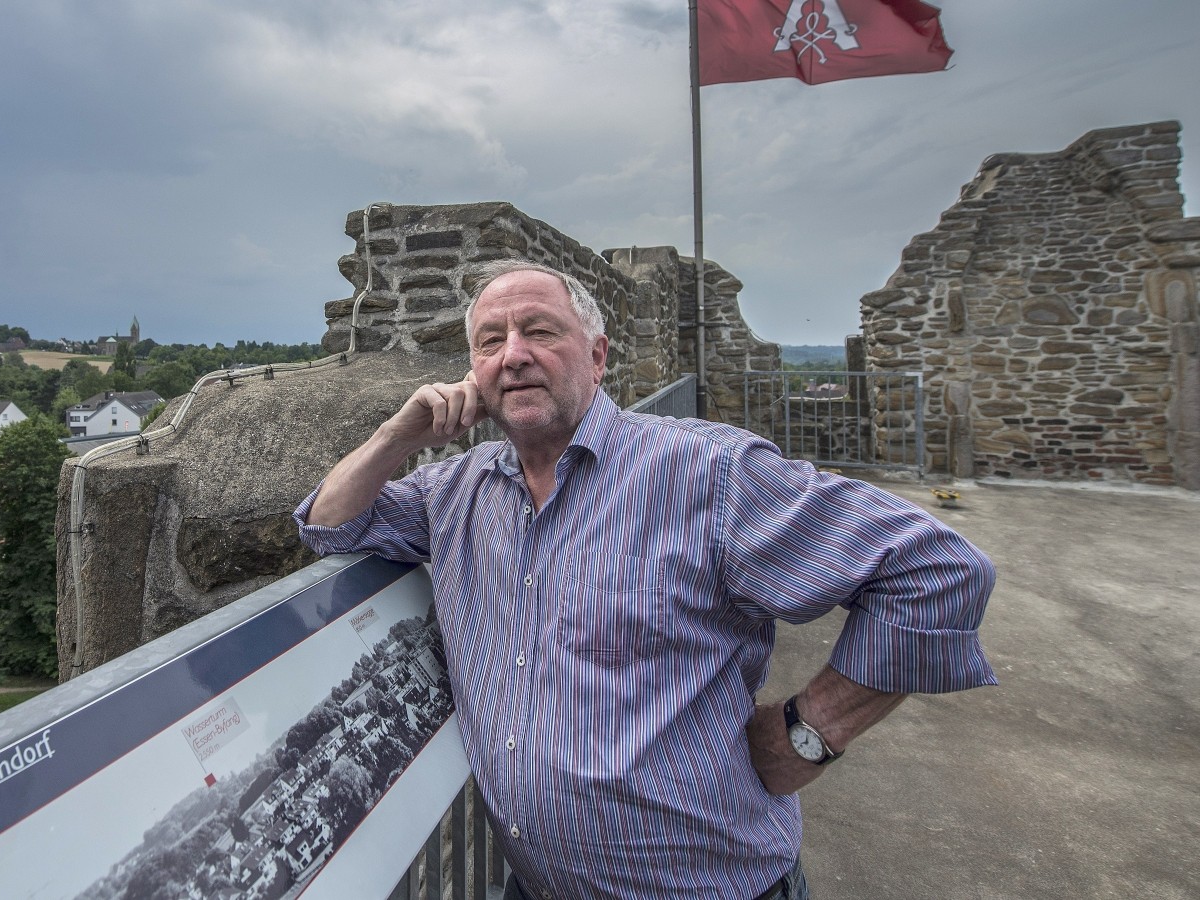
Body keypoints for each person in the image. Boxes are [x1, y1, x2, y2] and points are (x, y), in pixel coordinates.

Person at [294, 260, 996, 900]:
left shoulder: (706, 475)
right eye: (489, 341)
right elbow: (330, 525)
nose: (513, 354)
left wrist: (808, 734)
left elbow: (935, 571)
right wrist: (398, 437)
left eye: (540, 330)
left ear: (598, 358)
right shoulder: (456, 493)